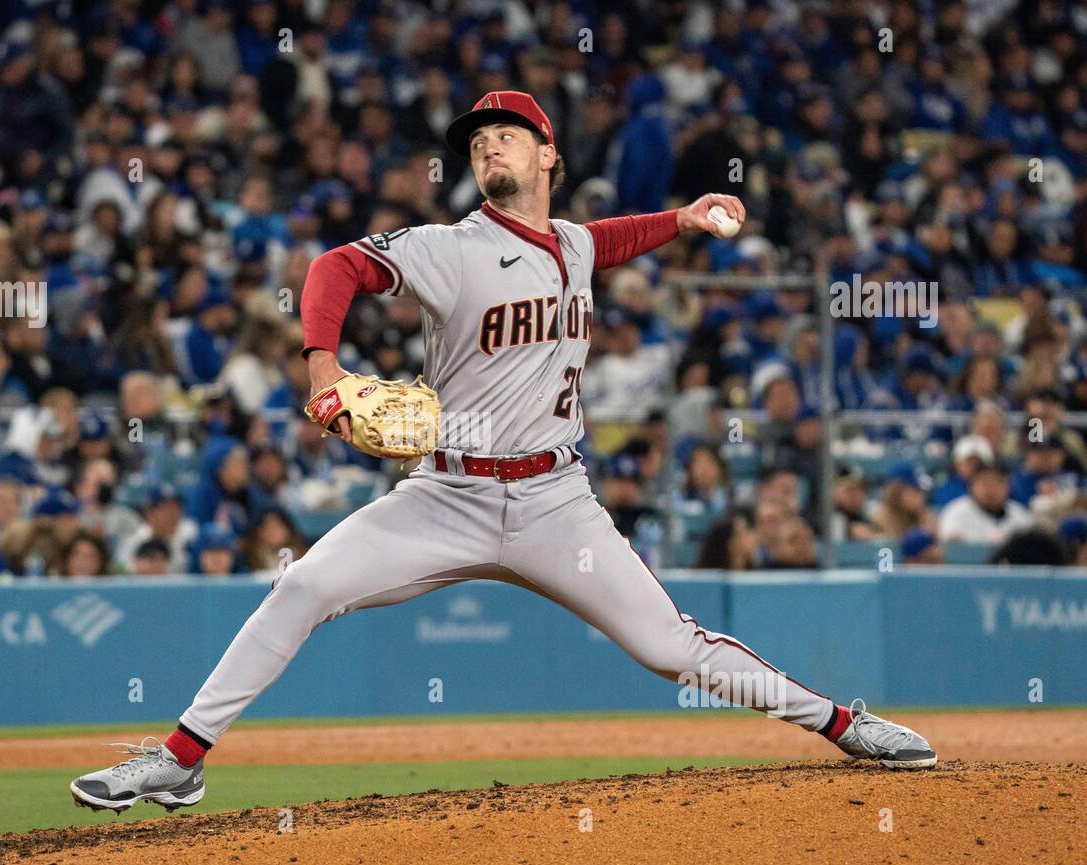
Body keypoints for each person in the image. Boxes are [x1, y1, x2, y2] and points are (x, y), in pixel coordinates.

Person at [70, 90, 935, 814]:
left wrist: (684, 216)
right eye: (478, 141)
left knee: (673, 649)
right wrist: (325, 366)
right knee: (301, 586)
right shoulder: (451, 249)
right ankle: (182, 758)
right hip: (443, 497)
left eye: (506, 135)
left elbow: (610, 238)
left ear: (547, 153)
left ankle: (843, 724)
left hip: (558, 503)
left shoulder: (576, 245)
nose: (488, 147)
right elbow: (335, 268)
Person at [937, 464, 1033, 545]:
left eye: (996, 483)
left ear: (1008, 487)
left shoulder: (1020, 514)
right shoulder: (955, 513)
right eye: (984, 483)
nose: (990, 489)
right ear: (971, 486)